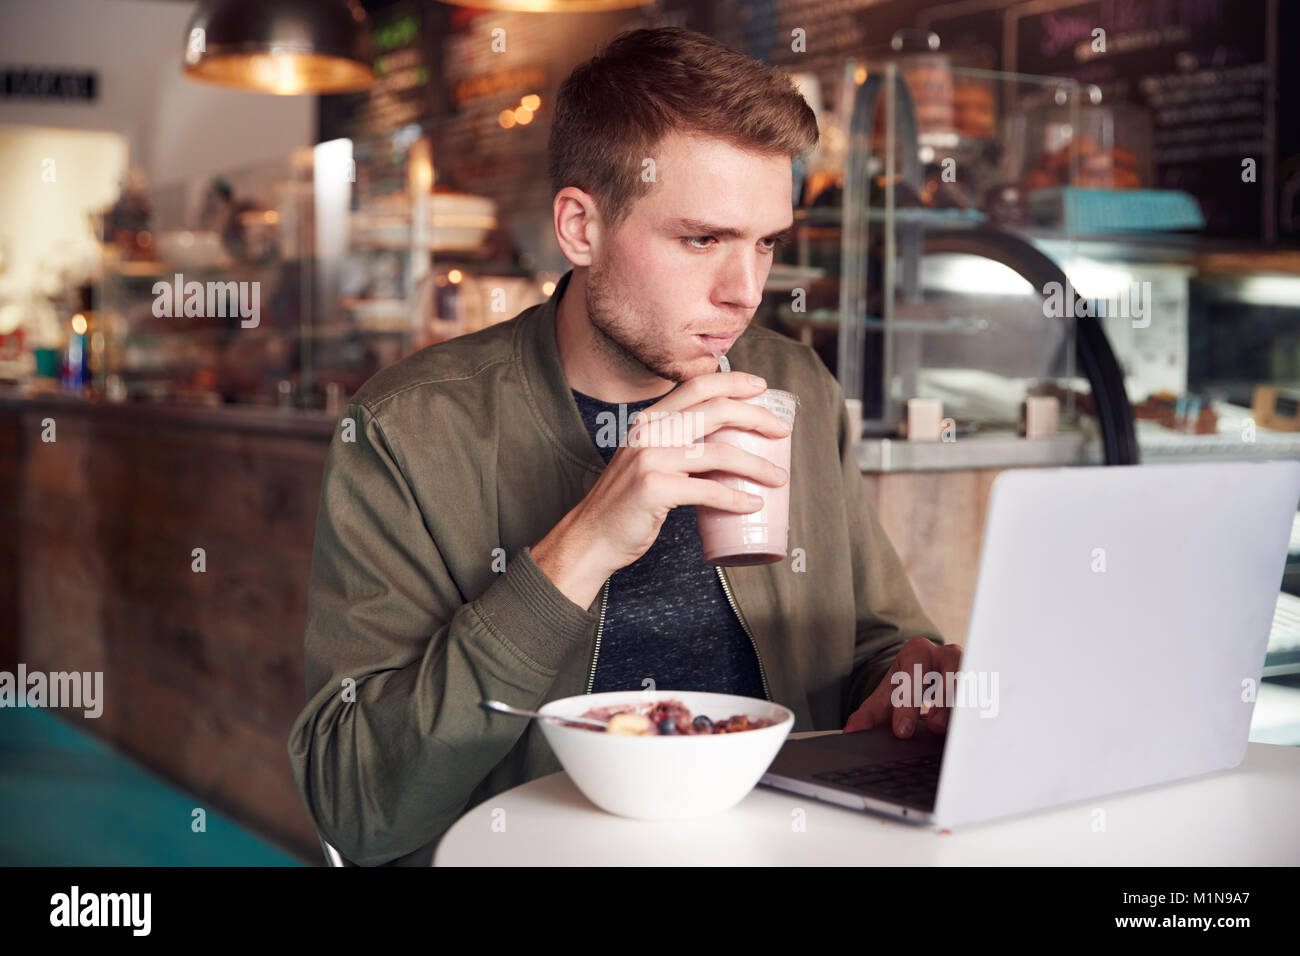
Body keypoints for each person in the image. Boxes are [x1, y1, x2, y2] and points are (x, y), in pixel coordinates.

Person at [288, 26, 959, 867]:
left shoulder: (796, 390)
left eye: (766, 244)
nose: (744, 292)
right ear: (580, 227)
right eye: (701, 240)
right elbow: (354, 804)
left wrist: (913, 680)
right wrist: (587, 540)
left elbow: (874, 643)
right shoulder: (410, 430)